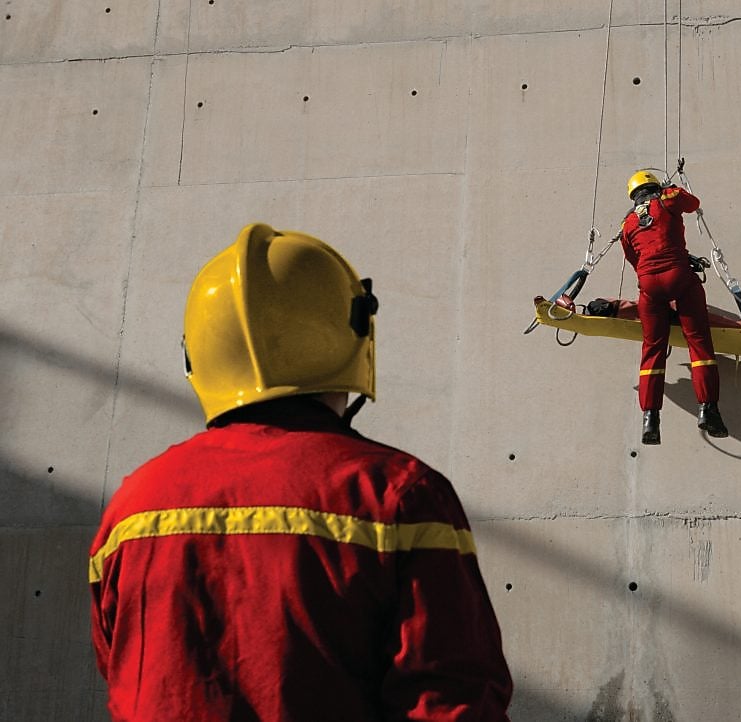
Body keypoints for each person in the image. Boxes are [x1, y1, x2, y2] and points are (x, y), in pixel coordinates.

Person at [88, 223, 512, 721]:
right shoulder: (399, 497)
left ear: (195, 354)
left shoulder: (132, 509)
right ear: (353, 331)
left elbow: (123, 675)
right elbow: (451, 703)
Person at [620, 170, 729, 445]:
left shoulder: (628, 223)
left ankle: (650, 419)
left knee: (652, 350)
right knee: (699, 342)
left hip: (649, 285)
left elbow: (633, 258)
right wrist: (672, 188)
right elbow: (693, 203)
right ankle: (708, 410)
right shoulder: (668, 199)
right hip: (679, 276)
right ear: (655, 186)